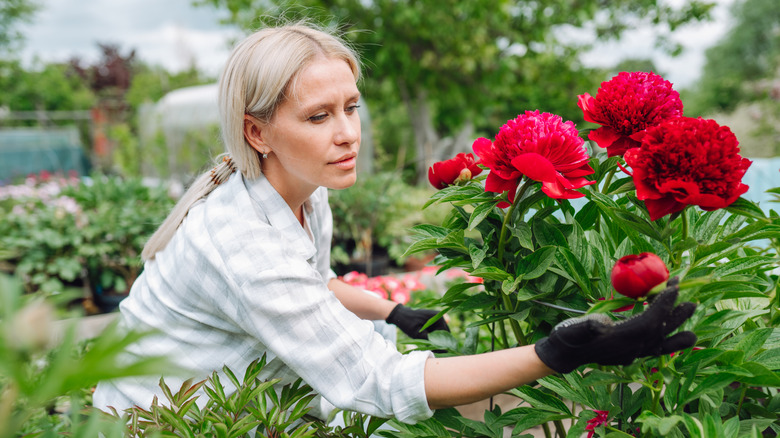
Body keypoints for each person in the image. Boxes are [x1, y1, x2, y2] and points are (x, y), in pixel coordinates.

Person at [93, 23, 697, 425]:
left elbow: (308, 282)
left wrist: (392, 312)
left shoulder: (299, 191)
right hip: (160, 421)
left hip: (229, 396)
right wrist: (555, 354)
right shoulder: (239, 239)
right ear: (258, 132)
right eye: (318, 115)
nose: (347, 133)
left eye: (351, 107)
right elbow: (378, 382)